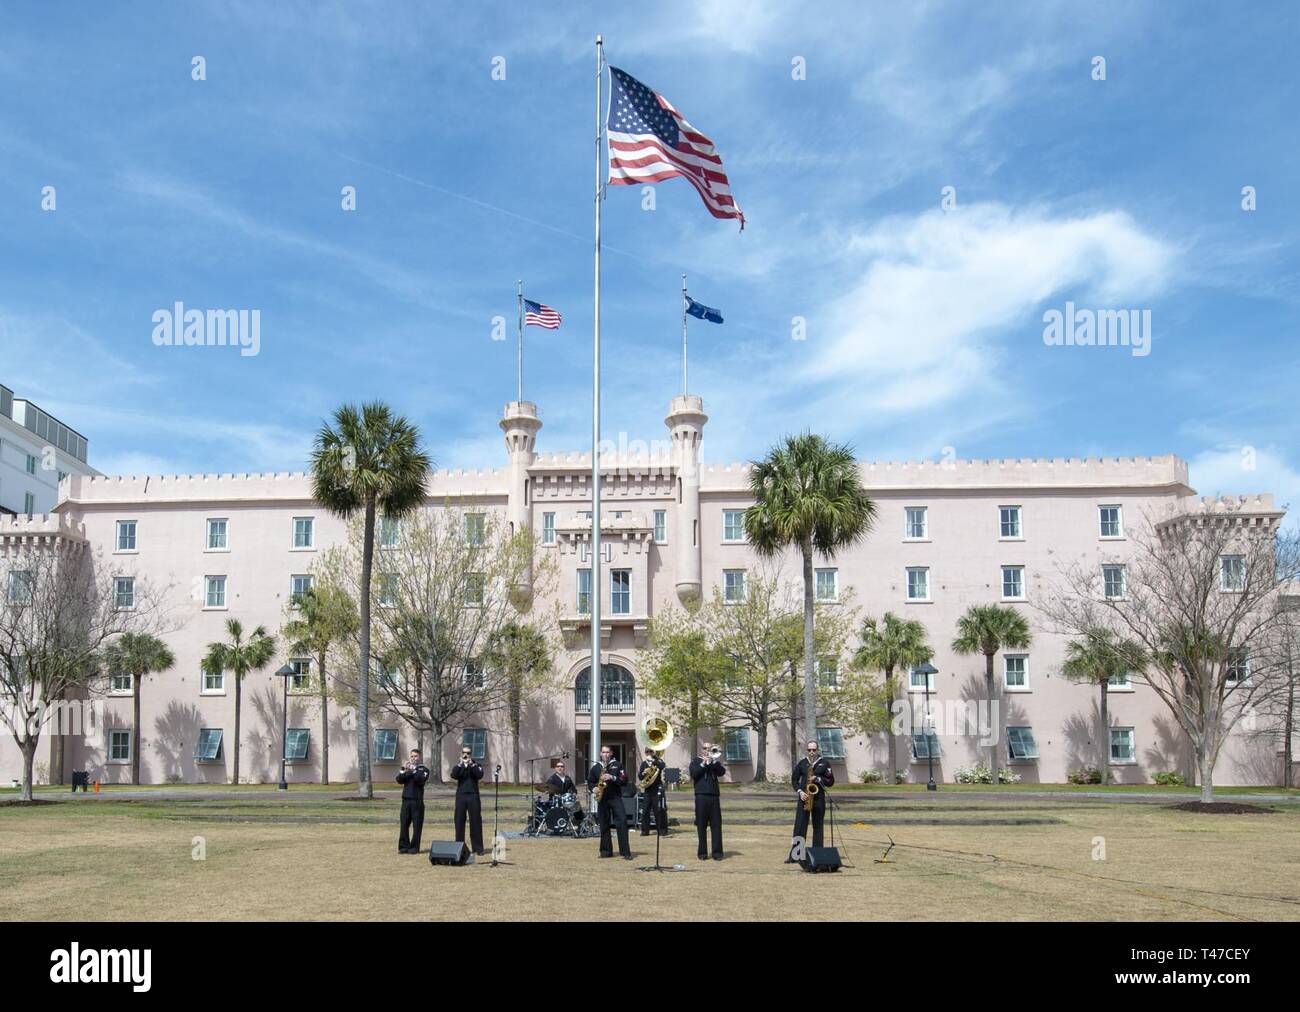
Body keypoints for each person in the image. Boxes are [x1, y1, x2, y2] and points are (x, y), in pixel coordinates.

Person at [789, 739, 835, 860]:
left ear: (817, 750)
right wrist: (800, 792)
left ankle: (817, 854)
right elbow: (794, 780)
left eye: (814, 750)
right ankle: (796, 855)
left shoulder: (824, 763)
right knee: (799, 826)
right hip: (804, 798)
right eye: (809, 750)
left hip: (818, 799)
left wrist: (819, 778)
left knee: (818, 827)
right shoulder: (802, 763)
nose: (811, 752)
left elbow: (830, 781)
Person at [586, 745, 631, 859]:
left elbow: (624, 780)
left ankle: (625, 852)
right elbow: (590, 782)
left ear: (611, 753)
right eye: (603, 752)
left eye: (607, 752)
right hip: (602, 799)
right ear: (600, 754)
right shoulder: (596, 767)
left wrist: (612, 777)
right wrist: (593, 789)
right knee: (604, 824)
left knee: (622, 821)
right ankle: (606, 852)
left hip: (615, 797)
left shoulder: (618, 765)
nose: (605, 754)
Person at [689, 742, 725, 860]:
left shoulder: (715, 762)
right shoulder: (695, 761)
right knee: (701, 825)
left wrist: (713, 762)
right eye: (705, 748)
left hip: (714, 796)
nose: (707, 750)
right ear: (702, 749)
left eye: (709, 748)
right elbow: (694, 774)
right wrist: (703, 764)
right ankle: (702, 853)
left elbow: (721, 772)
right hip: (701, 796)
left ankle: (717, 853)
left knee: (716, 825)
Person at [451, 746, 485, 855]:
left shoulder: (476, 765)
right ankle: (459, 848)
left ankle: (478, 848)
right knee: (459, 821)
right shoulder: (458, 765)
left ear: (471, 754)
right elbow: (454, 775)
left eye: (468, 753)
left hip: (473, 796)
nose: (466, 755)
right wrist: (461, 764)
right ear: (461, 754)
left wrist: (471, 764)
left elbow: (479, 775)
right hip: (461, 796)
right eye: (464, 753)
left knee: (475, 821)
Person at [395, 749, 430, 854]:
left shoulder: (424, 770)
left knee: (417, 825)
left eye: (415, 756)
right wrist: (403, 769)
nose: (413, 758)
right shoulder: (408, 771)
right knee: (404, 824)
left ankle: (414, 847)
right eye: (412, 756)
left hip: (417, 801)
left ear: (420, 758)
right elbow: (399, 780)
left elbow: (420, 779)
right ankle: (403, 847)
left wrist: (414, 769)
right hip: (406, 800)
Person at [637, 747, 668, 837]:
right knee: (645, 810)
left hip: (657, 788)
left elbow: (662, 766)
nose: (649, 753)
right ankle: (645, 830)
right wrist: (643, 773)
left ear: (653, 752)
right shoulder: (643, 764)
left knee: (659, 810)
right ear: (645, 753)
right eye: (647, 752)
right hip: (648, 789)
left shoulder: (658, 761)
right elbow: (640, 777)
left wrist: (654, 761)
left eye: (651, 751)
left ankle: (662, 830)